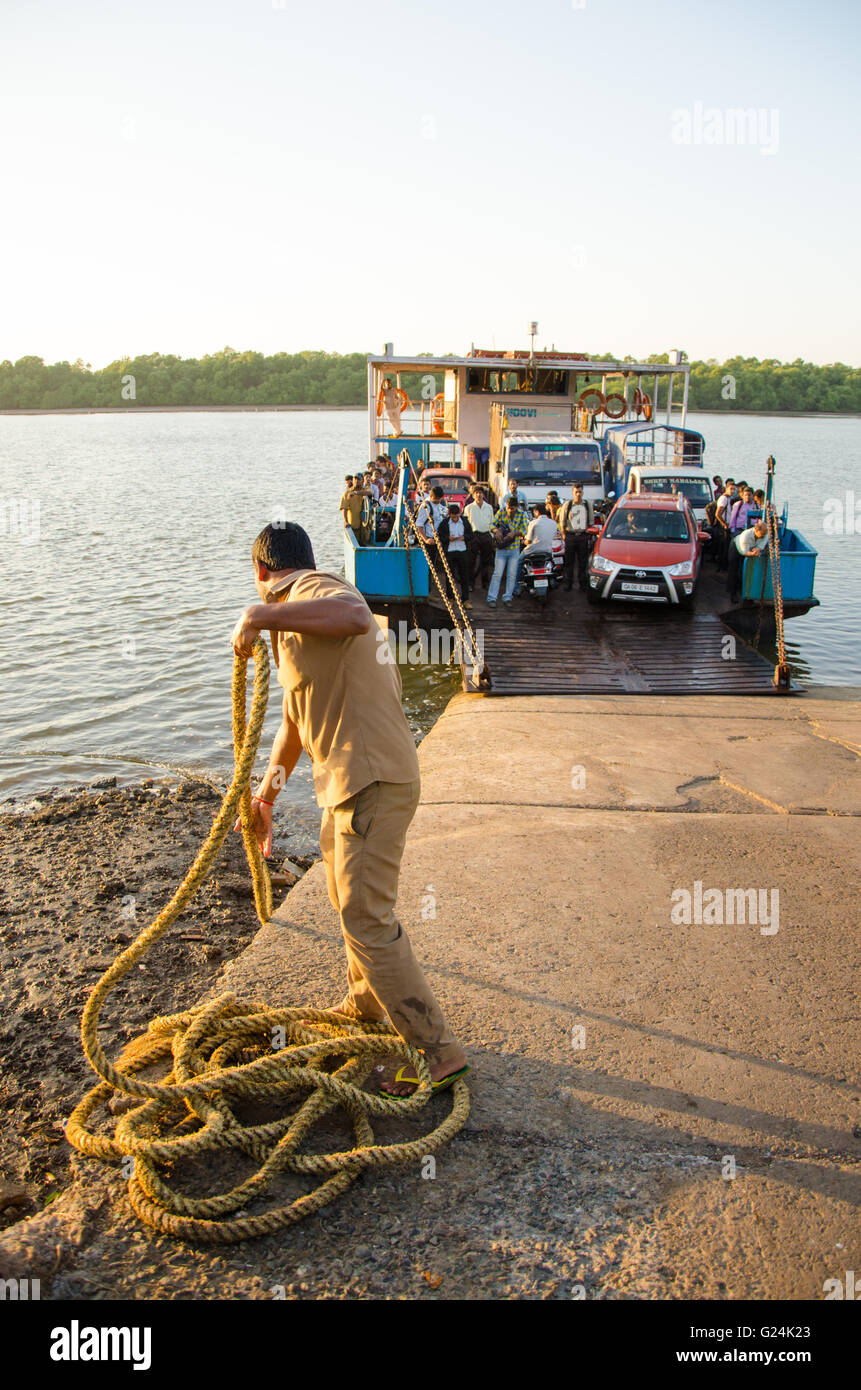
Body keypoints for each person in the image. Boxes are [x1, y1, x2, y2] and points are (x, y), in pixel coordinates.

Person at [229, 523, 468, 1097]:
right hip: (347, 785)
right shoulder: (297, 627)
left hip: (372, 783)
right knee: (346, 901)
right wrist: (265, 797)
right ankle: (365, 1007)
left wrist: (258, 618)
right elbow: (292, 724)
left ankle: (438, 1054)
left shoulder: (313, 591)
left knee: (366, 917)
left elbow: (356, 615)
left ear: (262, 573)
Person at [487, 496, 528, 606]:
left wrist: (515, 533)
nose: (510, 510)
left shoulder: (522, 515)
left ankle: (508, 597)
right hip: (502, 548)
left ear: (516, 507)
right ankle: (491, 598)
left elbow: (525, 529)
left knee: (511, 574)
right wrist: (496, 531)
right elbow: (491, 524)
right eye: (509, 508)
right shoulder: (501, 511)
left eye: (512, 509)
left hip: (514, 549)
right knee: (497, 574)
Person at [556, 483, 594, 591]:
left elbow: (591, 522)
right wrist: (564, 535)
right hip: (570, 537)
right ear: (573, 493)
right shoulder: (567, 505)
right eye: (576, 492)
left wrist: (589, 536)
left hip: (583, 536)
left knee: (583, 562)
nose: (578, 494)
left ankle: (583, 584)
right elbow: (562, 521)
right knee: (569, 562)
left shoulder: (587, 505)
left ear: (583, 492)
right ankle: (568, 583)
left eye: (580, 492)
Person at [436, 502, 473, 606]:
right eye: (453, 516)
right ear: (449, 514)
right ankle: (450, 598)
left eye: (456, 516)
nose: (455, 518)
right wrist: (448, 538)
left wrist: (464, 537)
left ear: (459, 514)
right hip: (450, 551)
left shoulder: (465, 522)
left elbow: (471, 535)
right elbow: (440, 536)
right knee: (449, 576)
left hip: (462, 550)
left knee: (464, 576)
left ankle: (465, 599)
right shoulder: (444, 523)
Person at [727, 519, 769, 604]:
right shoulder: (746, 535)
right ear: (756, 530)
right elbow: (745, 553)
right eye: (761, 535)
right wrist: (753, 554)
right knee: (733, 570)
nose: (763, 536)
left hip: (750, 547)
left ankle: (744, 591)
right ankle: (732, 593)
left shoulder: (765, 534)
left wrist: (758, 548)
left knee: (744, 570)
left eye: (764, 535)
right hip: (736, 546)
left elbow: (762, 543)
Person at [464, 484, 495, 589]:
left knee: (486, 562)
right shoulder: (468, 508)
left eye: (480, 493)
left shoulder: (489, 507)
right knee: (471, 561)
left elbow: (492, 522)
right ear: (473, 495)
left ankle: (485, 584)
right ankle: (470, 584)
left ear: (483, 495)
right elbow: (466, 524)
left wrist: (491, 535)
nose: (478, 495)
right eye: (476, 493)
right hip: (474, 535)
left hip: (486, 535)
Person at [714, 482, 738, 571]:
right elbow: (718, 514)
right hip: (724, 526)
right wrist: (724, 524)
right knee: (723, 547)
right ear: (726, 489)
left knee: (726, 547)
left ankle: (723, 566)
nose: (732, 491)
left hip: (728, 525)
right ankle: (721, 567)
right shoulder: (724, 499)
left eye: (734, 489)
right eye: (731, 489)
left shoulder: (729, 499)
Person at [339, 477, 368, 544]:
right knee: (355, 542)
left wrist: (356, 493)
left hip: (365, 526)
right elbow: (344, 509)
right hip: (353, 525)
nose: (357, 481)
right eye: (355, 479)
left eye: (359, 479)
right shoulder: (347, 493)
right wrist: (346, 521)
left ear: (363, 481)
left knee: (365, 541)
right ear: (353, 481)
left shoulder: (366, 490)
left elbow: (370, 492)